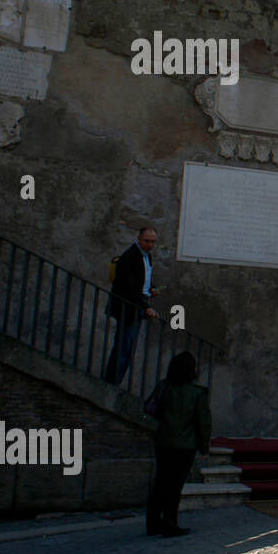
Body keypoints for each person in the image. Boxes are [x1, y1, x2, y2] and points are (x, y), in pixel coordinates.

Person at [146, 351, 211, 538]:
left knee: (160, 482)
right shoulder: (197, 393)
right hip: (185, 445)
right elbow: (203, 423)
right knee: (175, 486)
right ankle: (169, 523)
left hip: (164, 441)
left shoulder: (164, 387)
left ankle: (152, 523)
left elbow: (152, 409)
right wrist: (204, 447)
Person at [105, 226, 161, 384]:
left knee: (126, 350)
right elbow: (127, 288)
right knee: (123, 349)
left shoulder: (147, 256)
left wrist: (152, 289)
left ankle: (114, 382)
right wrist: (146, 306)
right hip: (128, 307)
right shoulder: (130, 257)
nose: (150, 245)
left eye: (153, 242)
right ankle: (111, 383)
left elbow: (143, 279)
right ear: (139, 239)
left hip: (136, 306)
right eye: (147, 241)